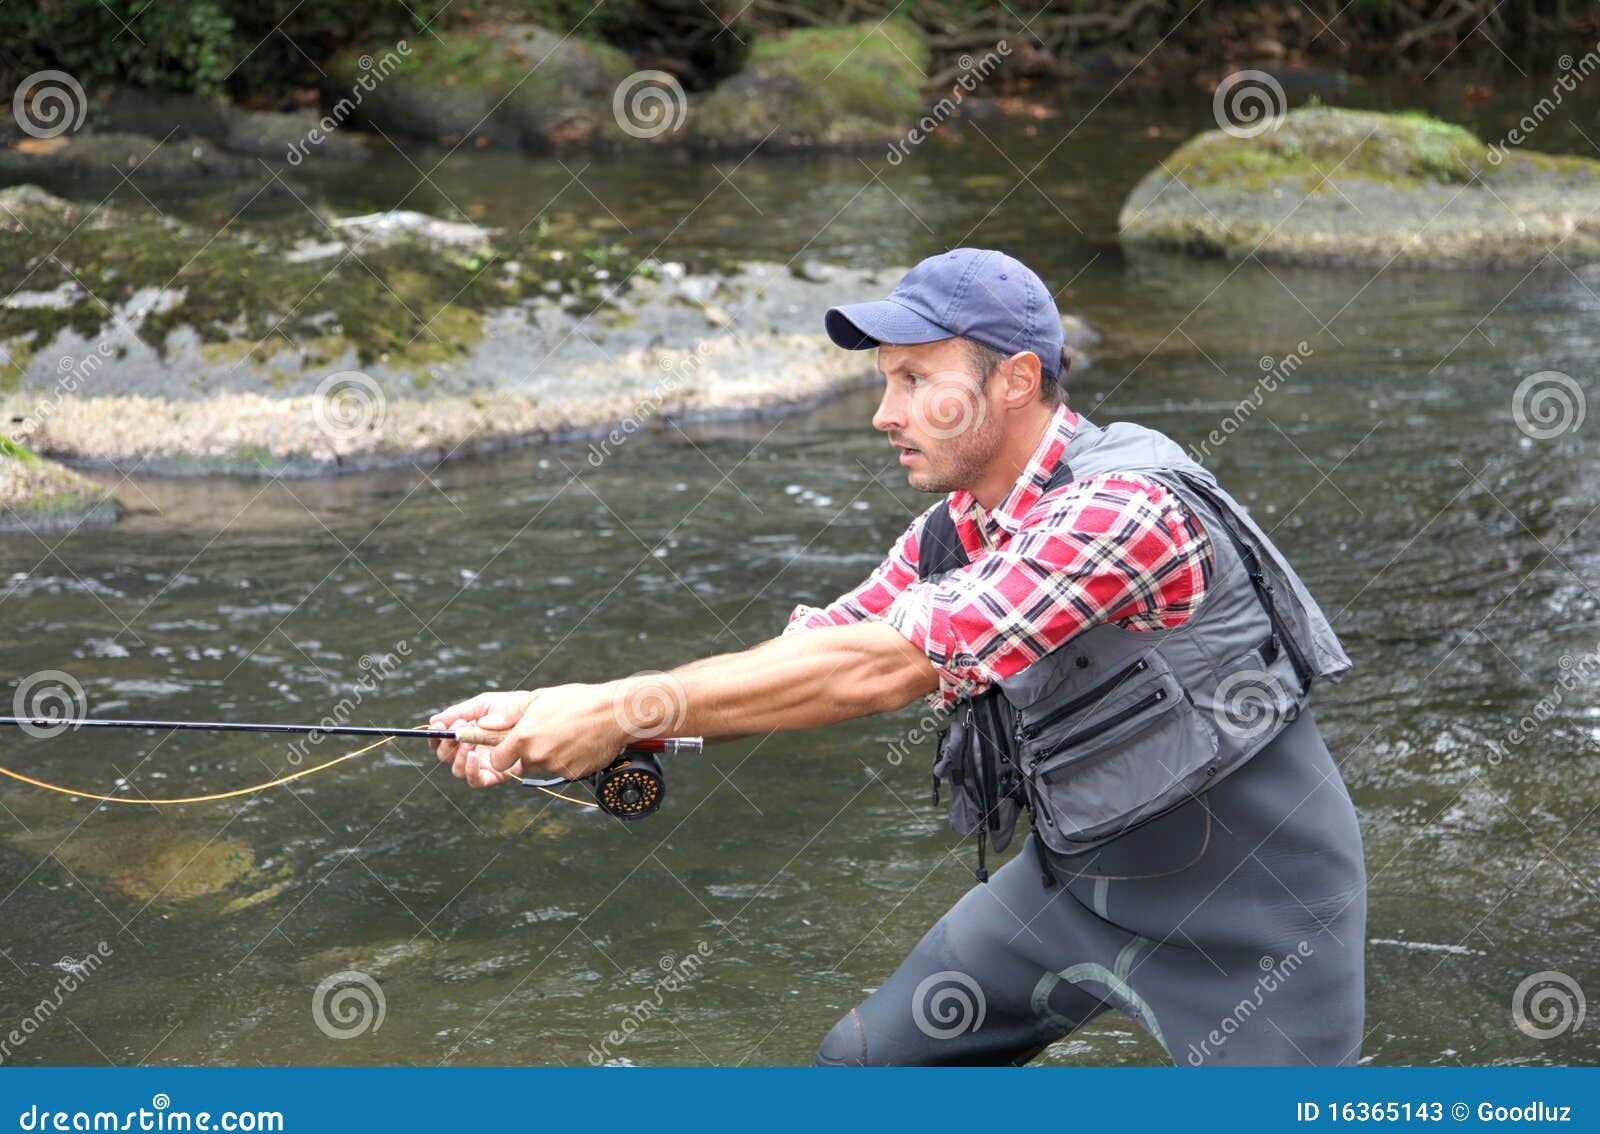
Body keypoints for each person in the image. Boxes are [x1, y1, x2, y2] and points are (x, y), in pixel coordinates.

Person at [428, 248, 1367, 1067]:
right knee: (866, 1072)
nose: (885, 412)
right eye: (886, 380)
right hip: (1078, 884)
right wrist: (565, 715)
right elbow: (821, 647)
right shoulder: (951, 531)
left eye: (915, 380)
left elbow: (884, 668)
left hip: (1254, 919)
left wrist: (619, 709)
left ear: (1016, 379)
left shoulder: (1124, 509)